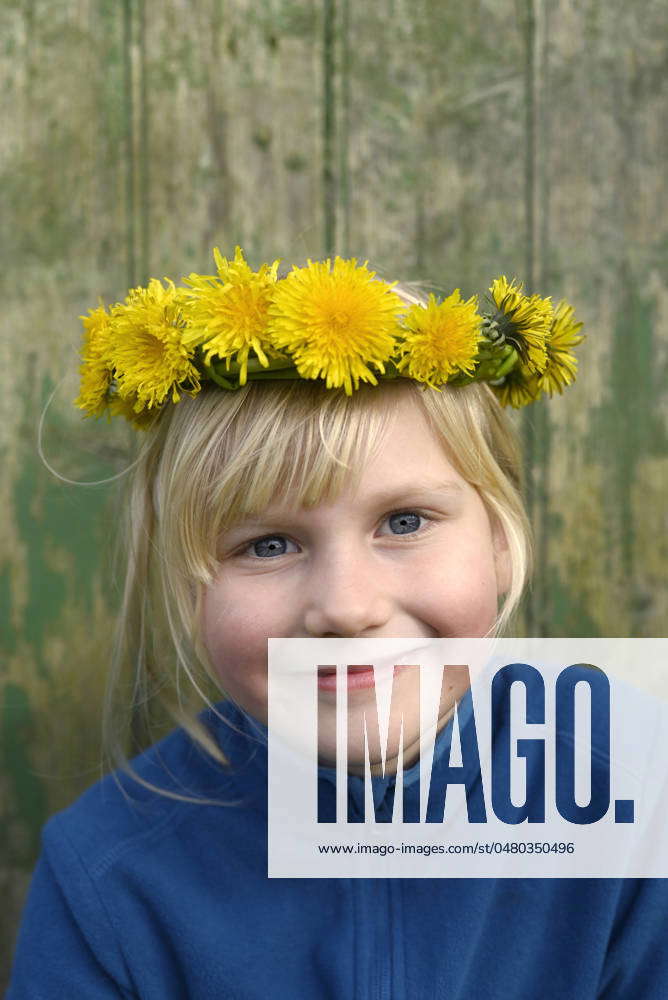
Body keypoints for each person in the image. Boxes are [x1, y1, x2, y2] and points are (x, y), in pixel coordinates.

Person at [7, 250, 668, 997]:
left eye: (405, 521)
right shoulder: (108, 873)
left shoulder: (637, 801)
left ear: (501, 544)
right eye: (268, 545)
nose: (348, 608)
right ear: (190, 589)